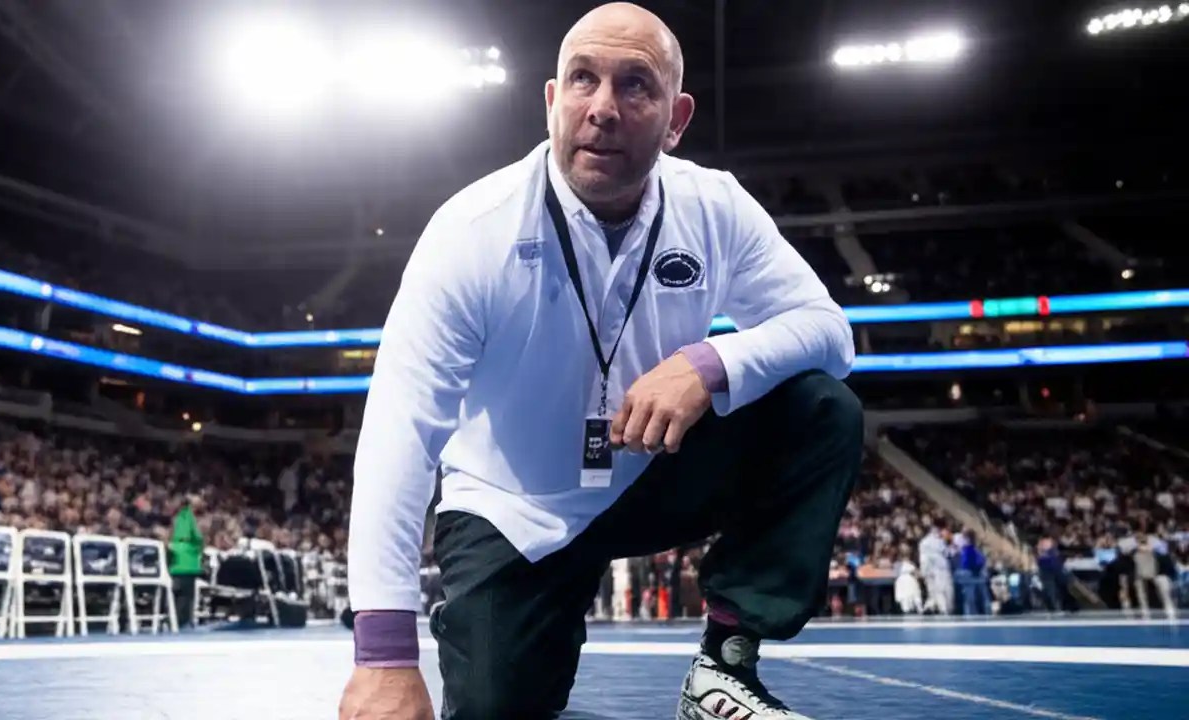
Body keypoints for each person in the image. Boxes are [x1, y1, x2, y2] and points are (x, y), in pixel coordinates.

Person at [338, 4, 861, 719]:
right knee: (498, 711)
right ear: (552, 101)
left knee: (819, 409)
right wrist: (384, 657)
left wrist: (711, 362)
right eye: (583, 80)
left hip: (650, 472)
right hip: (512, 508)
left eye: (635, 85)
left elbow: (830, 333)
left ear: (676, 118)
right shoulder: (473, 231)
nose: (603, 109)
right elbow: (399, 434)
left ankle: (724, 671)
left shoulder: (714, 207)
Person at [167, 493, 204, 629]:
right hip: (187, 561)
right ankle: (181, 622)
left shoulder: (176, 519)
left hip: (176, 560)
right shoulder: (189, 518)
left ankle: (174, 620)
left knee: (177, 594)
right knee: (186, 596)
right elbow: (198, 537)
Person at [918, 525, 953, 615]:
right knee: (940, 590)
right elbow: (946, 553)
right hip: (938, 570)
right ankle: (943, 608)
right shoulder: (934, 542)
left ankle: (929, 607)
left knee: (935, 591)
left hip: (935, 569)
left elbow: (923, 558)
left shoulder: (926, 542)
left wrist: (924, 571)